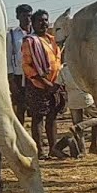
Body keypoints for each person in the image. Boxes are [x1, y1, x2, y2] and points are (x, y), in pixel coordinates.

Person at [20, 9, 65, 159]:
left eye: (45, 20)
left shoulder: (52, 40)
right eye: (39, 21)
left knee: (52, 117)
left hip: (56, 85)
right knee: (38, 118)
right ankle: (39, 151)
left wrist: (57, 83)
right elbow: (27, 66)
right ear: (33, 23)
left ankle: (54, 149)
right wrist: (45, 82)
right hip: (38, 85)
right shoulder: (29, 41)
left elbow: (59, 61)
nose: (43, 23)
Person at [60, 45, 97, 155]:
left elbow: (59, 85)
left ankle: (82, 150)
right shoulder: (84, 67)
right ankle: (94, 145)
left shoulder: (63, 68)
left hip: (72, 99)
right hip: (85, 96)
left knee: (77, 125)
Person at [8, 4, 34, 124]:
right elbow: (8, 57)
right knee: (20, 107)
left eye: (29, 15)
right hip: (19, 76)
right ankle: (20, 137)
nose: (27, 19)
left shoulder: (37, 33)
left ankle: (36, 139)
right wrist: (11, 80)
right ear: (18, 17)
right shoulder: (12, 34)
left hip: (35, 76)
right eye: (24, 16)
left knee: (37, 109)